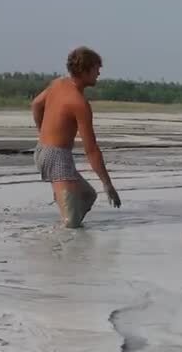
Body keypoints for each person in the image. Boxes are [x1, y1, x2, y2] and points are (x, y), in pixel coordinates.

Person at [30, 46, 120, 228]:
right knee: (70, 223)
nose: (99, 73)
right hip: (56, 157)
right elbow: (91, 149)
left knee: (88, 195)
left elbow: (36, 104)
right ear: (85, 70)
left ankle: (64, 213)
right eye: (96, 68)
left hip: (42, 150)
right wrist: (108, 184)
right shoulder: (79, 103)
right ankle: (52, 247)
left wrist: (43, 135)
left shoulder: (58, 83)